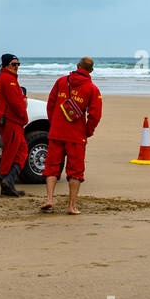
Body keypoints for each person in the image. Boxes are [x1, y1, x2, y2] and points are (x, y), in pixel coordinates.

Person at [41, 57, 102, 214]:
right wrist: (88, 131)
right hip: (76, 135)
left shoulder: (61, 81)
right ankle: (72, 206)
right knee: (75, 170)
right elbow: (95, 115)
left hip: (57, 132)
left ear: (77, 66)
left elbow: (51, 104)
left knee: (52, 167)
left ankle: (49, 199)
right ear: (91, 70)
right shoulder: (92, 89)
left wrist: (54, 123)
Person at [0, 54, 28, 197]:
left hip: (7, 120)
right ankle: (8, 180)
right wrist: (24, 117)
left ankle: (8, 183)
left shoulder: (4, 78)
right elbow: (15, 102)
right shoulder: (8, 79)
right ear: (7, 65)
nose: (17, 66)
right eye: (14, 64)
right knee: (16, 152)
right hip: (11, 121)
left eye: (18, 64)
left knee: (14, 151)